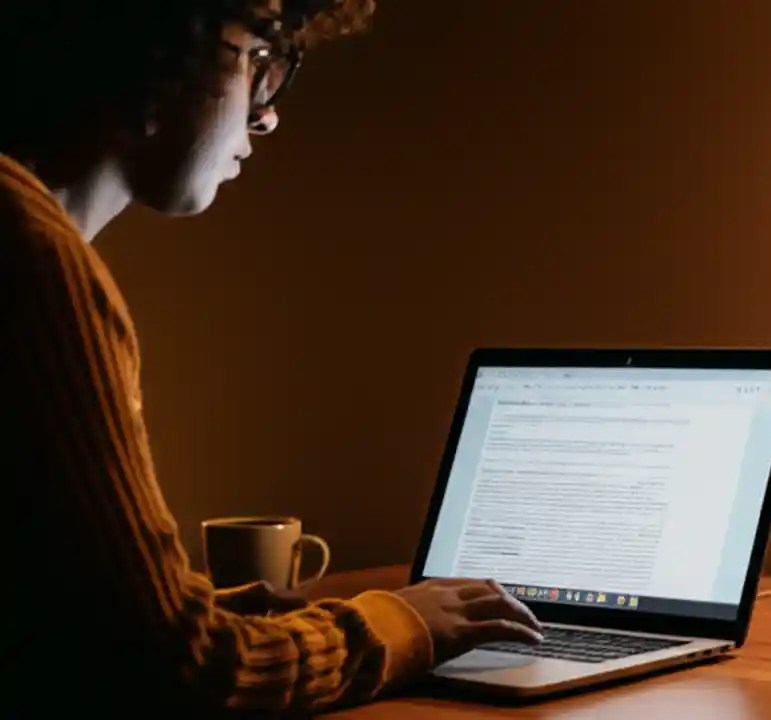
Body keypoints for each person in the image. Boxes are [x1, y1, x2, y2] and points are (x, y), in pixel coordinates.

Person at [1, 1, 542, 715]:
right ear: (156, 51)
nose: (266, 116)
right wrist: (402, 624)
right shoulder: (32, 261)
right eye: (256, 59)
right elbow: (183, 668)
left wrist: (214, 610)